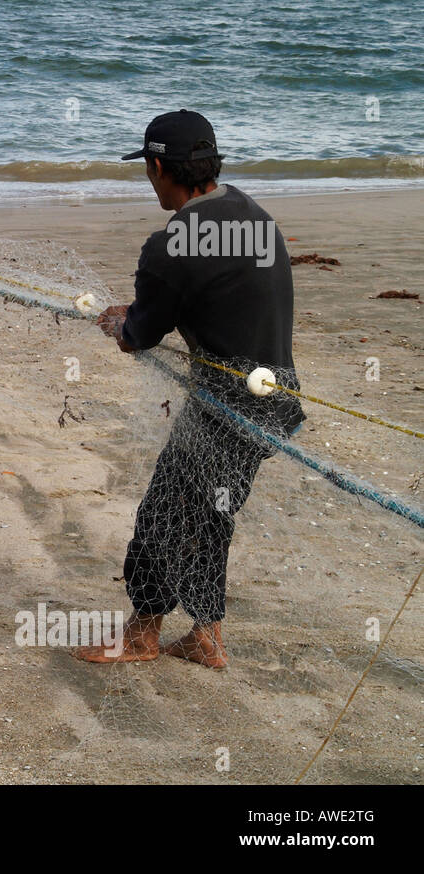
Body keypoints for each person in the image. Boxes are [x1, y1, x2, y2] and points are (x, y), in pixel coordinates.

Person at [76, 110, 305, 669]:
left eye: (147, 170)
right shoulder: (253, 215)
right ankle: (207, 636)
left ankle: (143, 633)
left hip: (229, 407)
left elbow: (138, 337)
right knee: (210, 512)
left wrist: (117, 324)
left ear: (158, 167)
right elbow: (218, 292)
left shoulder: (168, 245)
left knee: (166, 512)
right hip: (277, 396)